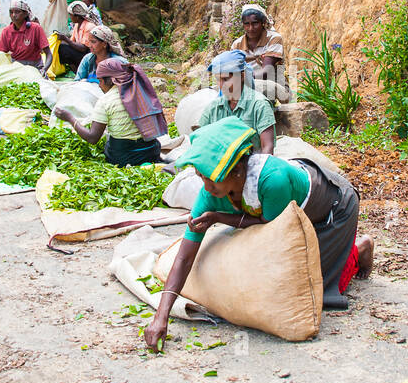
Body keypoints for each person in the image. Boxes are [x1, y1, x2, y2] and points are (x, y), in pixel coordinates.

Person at [143, 118, 374, 351]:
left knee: (312, 290)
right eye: (201, 177)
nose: (206, 187)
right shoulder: (210, 194)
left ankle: (360, 248)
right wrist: (161, 317)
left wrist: (218, 217)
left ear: (236, 171)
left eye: (209, 178)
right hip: (287, 215)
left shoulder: (272, 181)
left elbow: (270, 228)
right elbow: (184, 257)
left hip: (332, 209)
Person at [54, 58, 167, 167]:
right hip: (151, 152)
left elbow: (92, 138)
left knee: (108, 143)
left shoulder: (106, 100)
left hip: (124, 158)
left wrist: (70, 118)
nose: (99, 85)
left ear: (111, 80)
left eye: (100, 81)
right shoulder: (141, 91)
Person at [198, 50, 275, 153]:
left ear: (242, 76)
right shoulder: (213, 108)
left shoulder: (259, 105)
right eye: (218, 79)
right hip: (220, 165)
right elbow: (200, 143)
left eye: (226, 79)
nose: (221, 85)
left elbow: (267, 148)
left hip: (253, 163)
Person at [231, 4, 290, 103]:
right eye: (247, 24)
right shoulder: (237, 44)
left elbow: (267, 71)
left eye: (255, 23)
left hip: (274, 83)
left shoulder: (274, 38)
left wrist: (241, 78)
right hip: (247, 83)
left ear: (263, 22)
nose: (250, 28)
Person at [53, 0, 101, 72]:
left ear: (77, 17)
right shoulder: (77, 25)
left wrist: (65, 39)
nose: (70, 17)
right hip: (82, 53)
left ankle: (80, 71)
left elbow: (83, 48)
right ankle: (76, 71)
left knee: (63, 49)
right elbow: (72, 42)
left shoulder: (89, 26)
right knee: (61, 47)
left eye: (71, 15)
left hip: (91, 55)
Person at [0, 0, 47, 67]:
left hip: (35, 66)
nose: (14, 15)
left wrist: (44, 69)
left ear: (25, 14)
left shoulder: (36, 28)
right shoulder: (6, 31)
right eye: (11, 12)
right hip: (16, 66)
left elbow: (49, 54)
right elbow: (1, 54)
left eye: (17, 12)